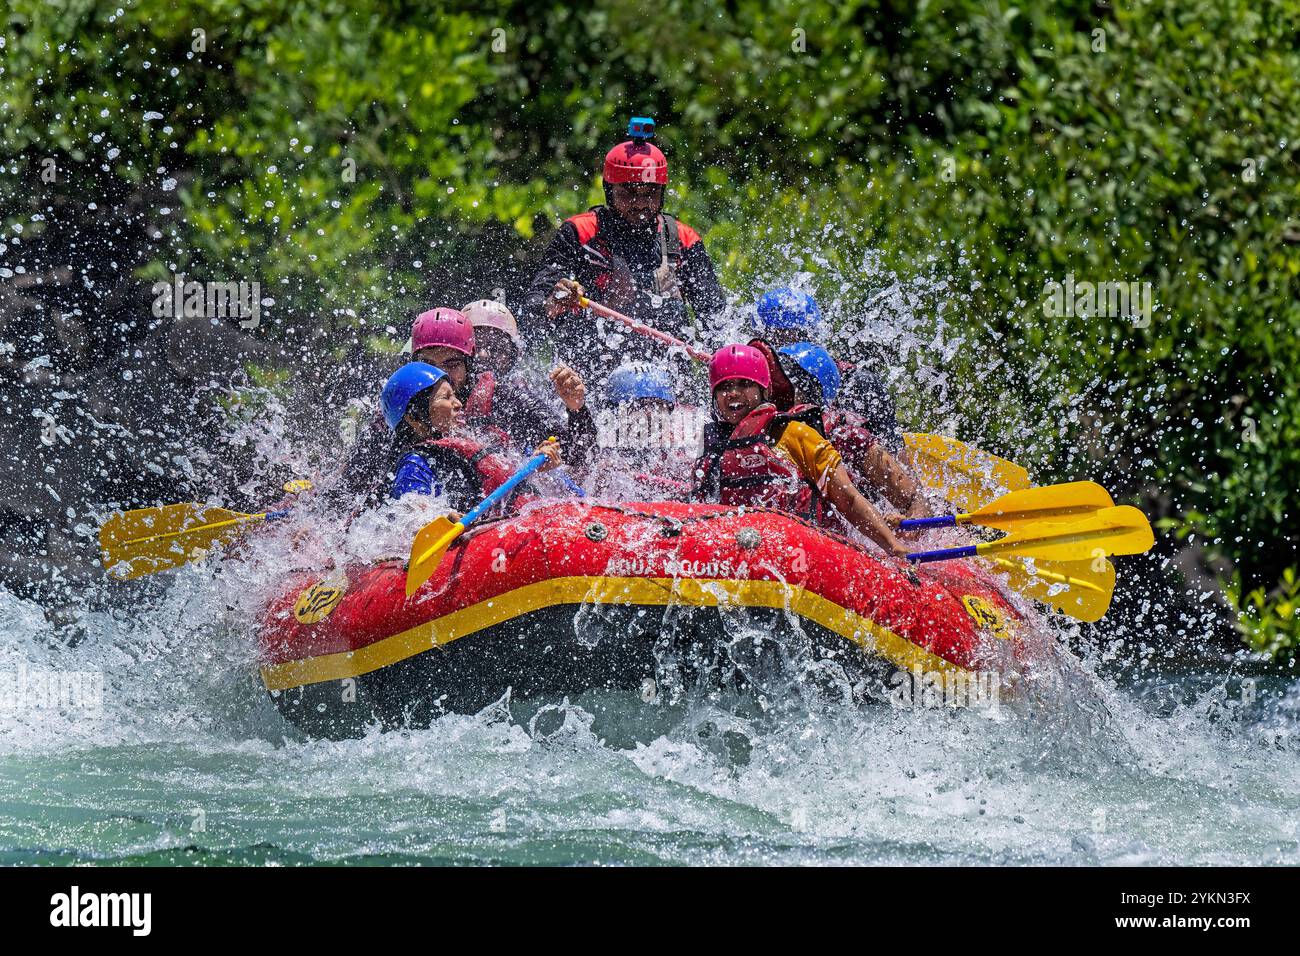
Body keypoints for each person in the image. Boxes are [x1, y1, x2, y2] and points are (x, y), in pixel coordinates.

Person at [521, 116, 727, 384]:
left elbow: (716, 322)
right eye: (627, 193)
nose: (639, 204)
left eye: (649, 193)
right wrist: (556, 299)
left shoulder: (684, 241)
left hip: (668, 387)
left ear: (661, 192)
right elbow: (533, 309)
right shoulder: (579, 234)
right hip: (589, 385)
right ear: (609, 191)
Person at [691, 345, 909, 558]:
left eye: (744, 384)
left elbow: (849, 500)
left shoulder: (794, 433)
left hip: (806, 553)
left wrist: (893, 546)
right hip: (743, 550)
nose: (733, 393)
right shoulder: (713, 446)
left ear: (764, 390)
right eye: (724, 387)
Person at [765, 341, 927, 519]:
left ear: (811, 392)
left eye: (783, 385)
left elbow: (916, 501)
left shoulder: (848, 438)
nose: (773, 393)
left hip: (834, 539)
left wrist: (906, 526)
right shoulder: (759, 433)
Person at [381, 362, 560, 510]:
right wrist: (437, 521)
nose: (458, 403)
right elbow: (411, 517)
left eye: (455, 395)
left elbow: (498, 486)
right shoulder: (415, 464)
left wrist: (533, 467)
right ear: (414, 418)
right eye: (446, 397)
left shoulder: (469, 444)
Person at [753, 287, 904, 453]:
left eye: (792, 335)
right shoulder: (752, 385)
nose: (784, 353)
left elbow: (895, 454)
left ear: (812, 336)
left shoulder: (860, 384)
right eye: (775, 337)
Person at [460, 299, 597, 466]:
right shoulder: (441, 393)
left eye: (495, 347)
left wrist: (576, 408)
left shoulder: (515, 400)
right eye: (475, 346)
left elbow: (580, 456)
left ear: (512, 356)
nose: (482, 355)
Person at [589, 362, 700, 498]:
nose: (650, 413)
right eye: (641, 405)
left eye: (658, 405)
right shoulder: (600, 452)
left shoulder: (680, 455)